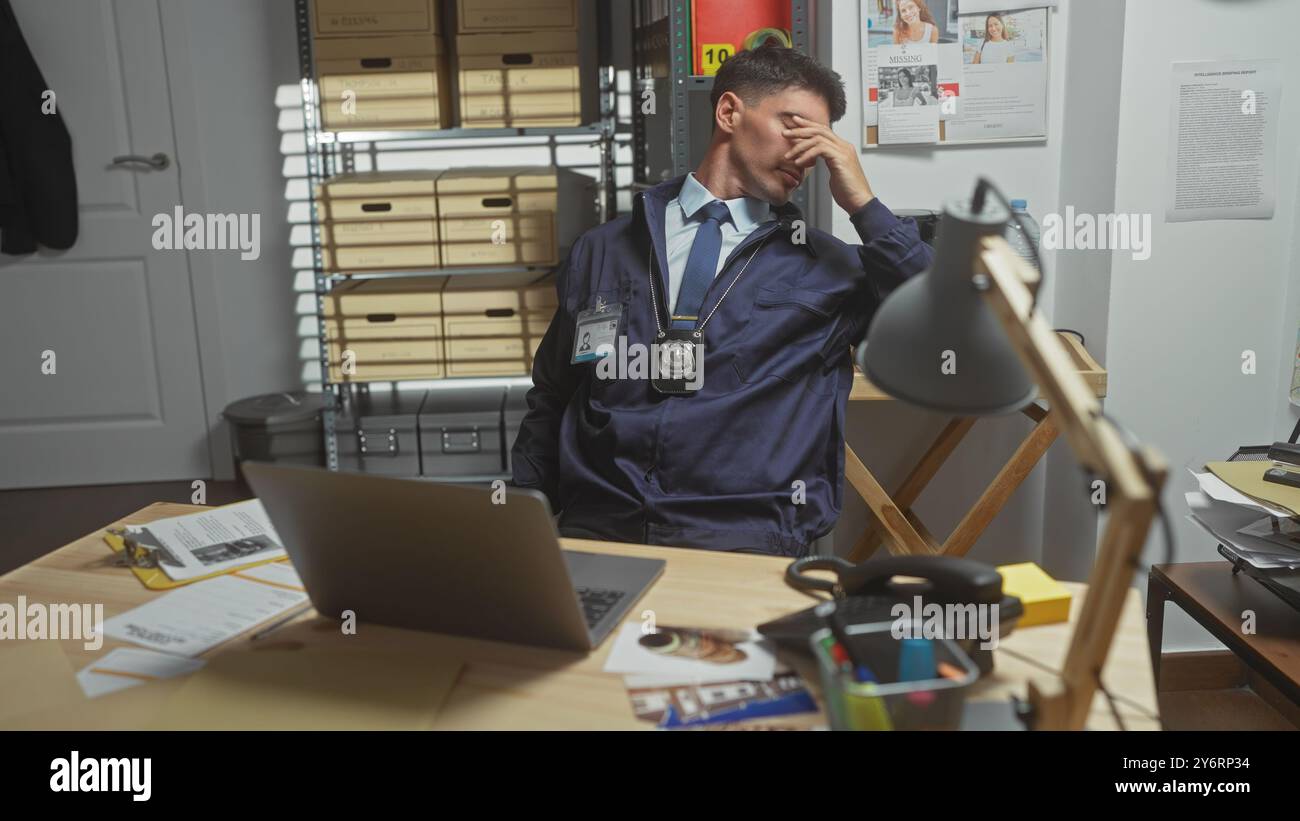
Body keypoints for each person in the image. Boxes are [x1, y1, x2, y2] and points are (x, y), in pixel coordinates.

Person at [511, 45, 932, 556]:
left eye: (822, 143)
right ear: (729, 112)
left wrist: (865, 208)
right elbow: (554, 390)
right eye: (794, 127)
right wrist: (525, 508)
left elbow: (944, 330)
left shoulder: (831, 268)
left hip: (746, 539)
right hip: (602, 531)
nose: (808, 154)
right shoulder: (604, 248)